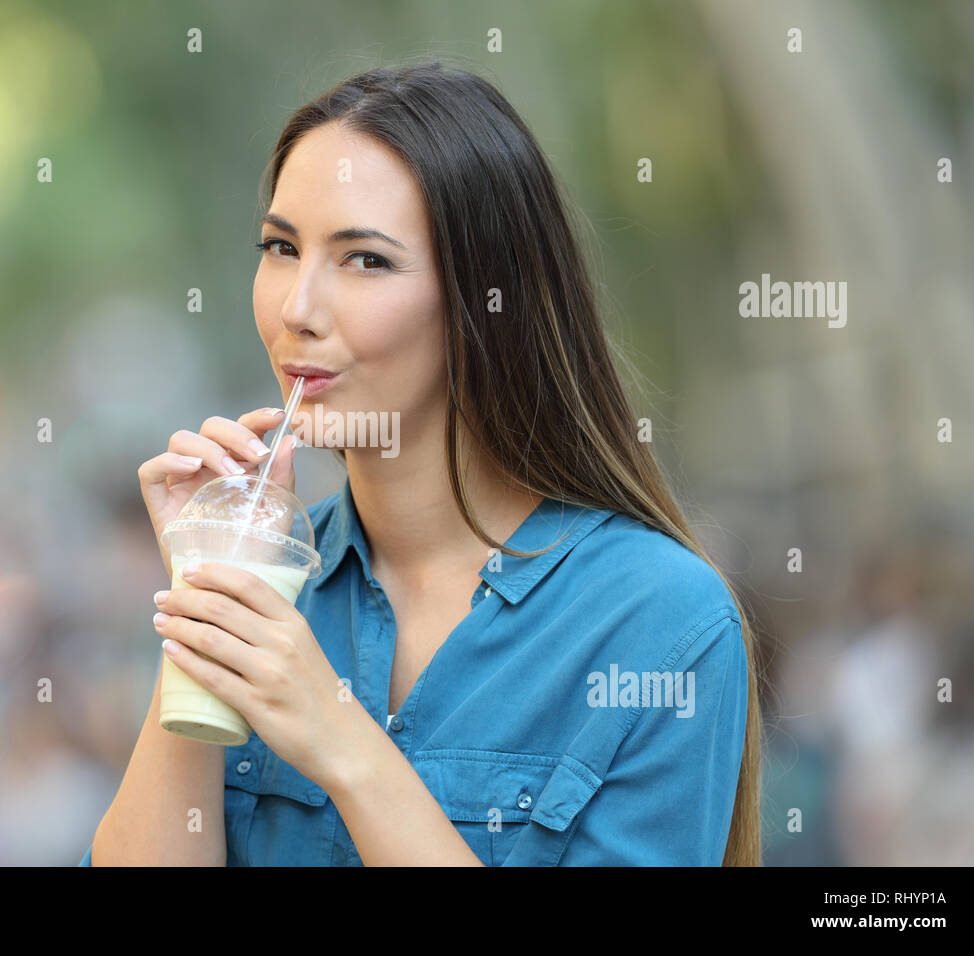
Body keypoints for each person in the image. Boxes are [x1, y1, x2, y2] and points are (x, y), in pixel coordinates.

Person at [82, 60, 760, 866]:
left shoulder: (661, 623)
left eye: (365, 260)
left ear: (486, 299)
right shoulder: (270, 583)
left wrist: (342, 743)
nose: (297, 309)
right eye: (280, 247)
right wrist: (210, 588)